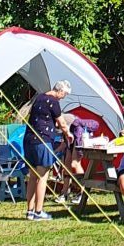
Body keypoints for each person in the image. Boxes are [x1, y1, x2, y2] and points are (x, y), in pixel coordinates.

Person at [24, 78, 73, 222]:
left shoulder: (39, 98)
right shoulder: (53, 101)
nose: (63, 97)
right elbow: (62, 123)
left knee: (32, 176)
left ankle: (29, 211)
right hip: (42, 141)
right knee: (43, 176)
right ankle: (38, 212)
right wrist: (68, 134)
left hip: (29, 140)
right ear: (60, 91)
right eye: (65, 94)